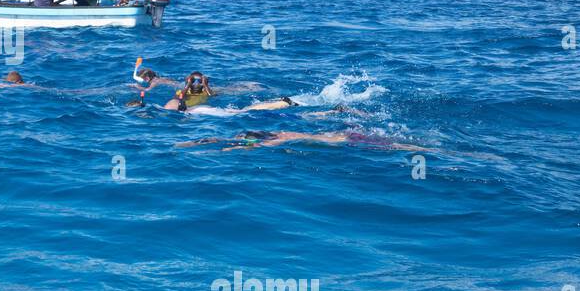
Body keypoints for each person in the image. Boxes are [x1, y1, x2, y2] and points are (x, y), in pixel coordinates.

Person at [176, 130, 433, 152]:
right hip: (347, 138)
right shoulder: (282, 133)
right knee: (398, 145)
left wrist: (227, 150)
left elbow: (256, 146)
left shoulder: (276, 140)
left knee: (398, 146)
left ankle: (428, 149)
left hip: (349, 142)